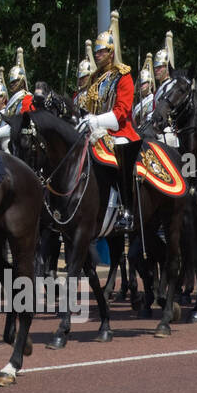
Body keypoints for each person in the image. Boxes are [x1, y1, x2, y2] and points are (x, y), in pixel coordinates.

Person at [79, 12, 139, 232]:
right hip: (96, 131)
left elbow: (122, 112)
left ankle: (127, 209)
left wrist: (96, 121)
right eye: (96, 51)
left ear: (111, 52)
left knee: (121, 152)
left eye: (102, 51)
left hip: (119, 130)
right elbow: (89, 107)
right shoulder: (95, 79)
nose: (98, 54)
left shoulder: (123, 75)